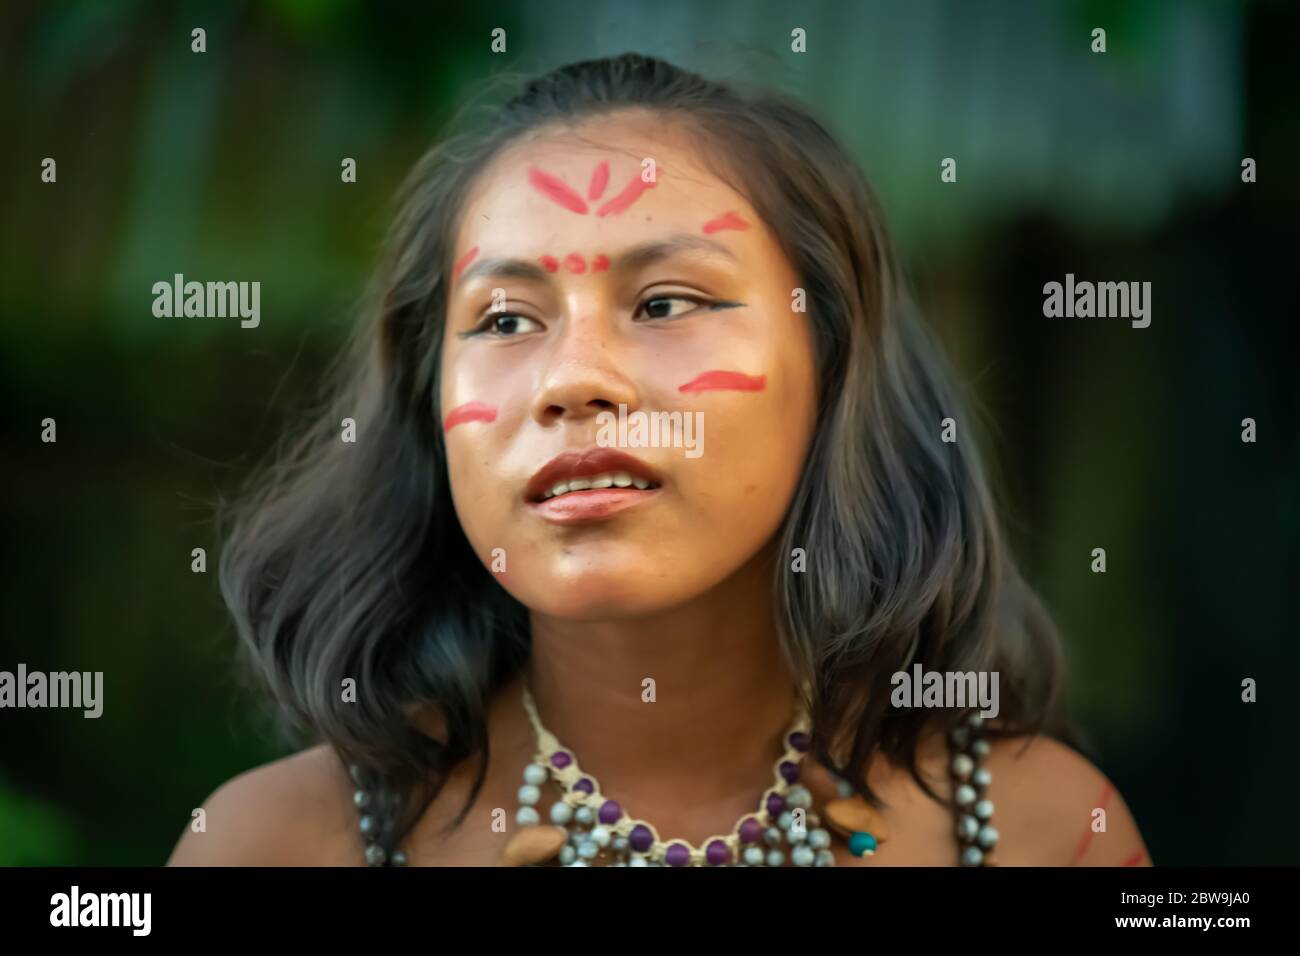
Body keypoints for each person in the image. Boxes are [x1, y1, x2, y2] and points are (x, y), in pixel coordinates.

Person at [168, 53, 1149, 868]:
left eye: (668, 303)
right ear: (428, 408)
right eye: (506, 319)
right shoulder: (272, 843)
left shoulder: (1046, 832)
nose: (574, 379)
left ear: (834, 362)